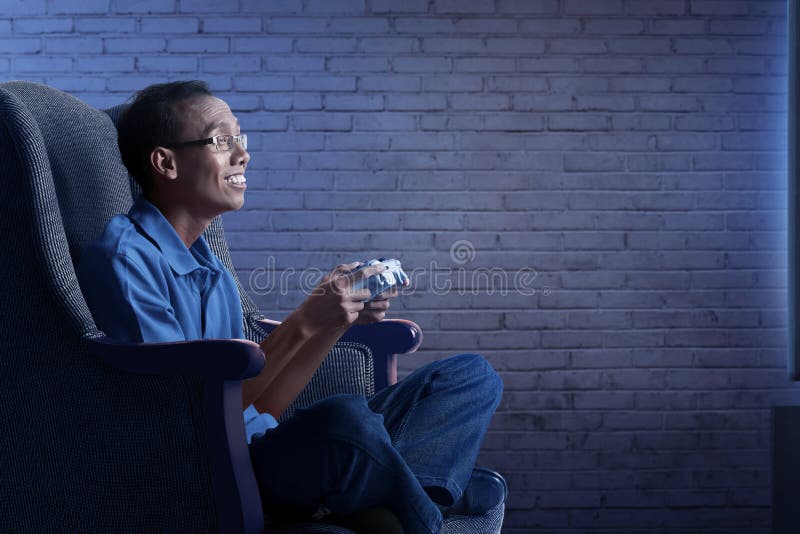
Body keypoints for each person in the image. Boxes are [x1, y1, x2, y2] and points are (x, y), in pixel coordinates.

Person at [77, 80, 502, 533]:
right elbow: (191, 423)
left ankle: (385, 494)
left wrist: (336, 321)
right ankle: (420, 508)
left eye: (241, 139)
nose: (243, 155)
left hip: (260, 448)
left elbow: (257, 407)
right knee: (346, 422)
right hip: (208, 472)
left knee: (469, 376)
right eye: (222, 141)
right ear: (165, 162)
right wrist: (304, 321)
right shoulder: (125, 259)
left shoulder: (211, 267)